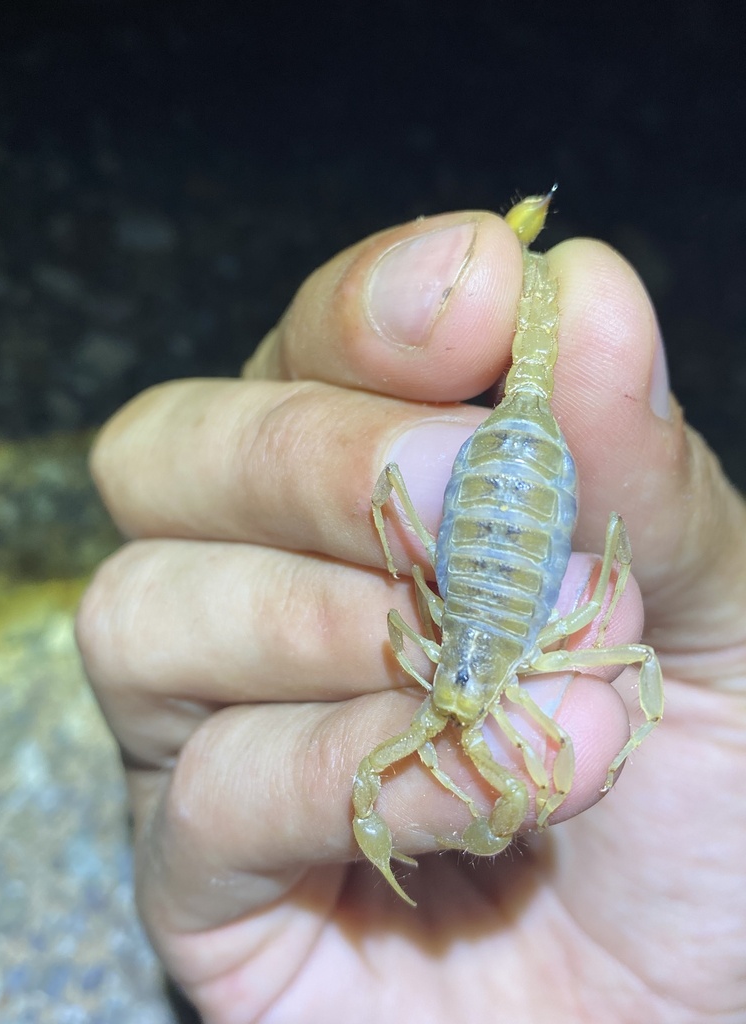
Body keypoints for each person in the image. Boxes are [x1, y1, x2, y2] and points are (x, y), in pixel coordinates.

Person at [76, 206, 746, 1023]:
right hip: (507, 546)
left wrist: (615, 743)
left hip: (499, 527)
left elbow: (566, 670)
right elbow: (418, 667)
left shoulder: (448, 664)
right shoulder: (488, 673)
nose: (450, 713)